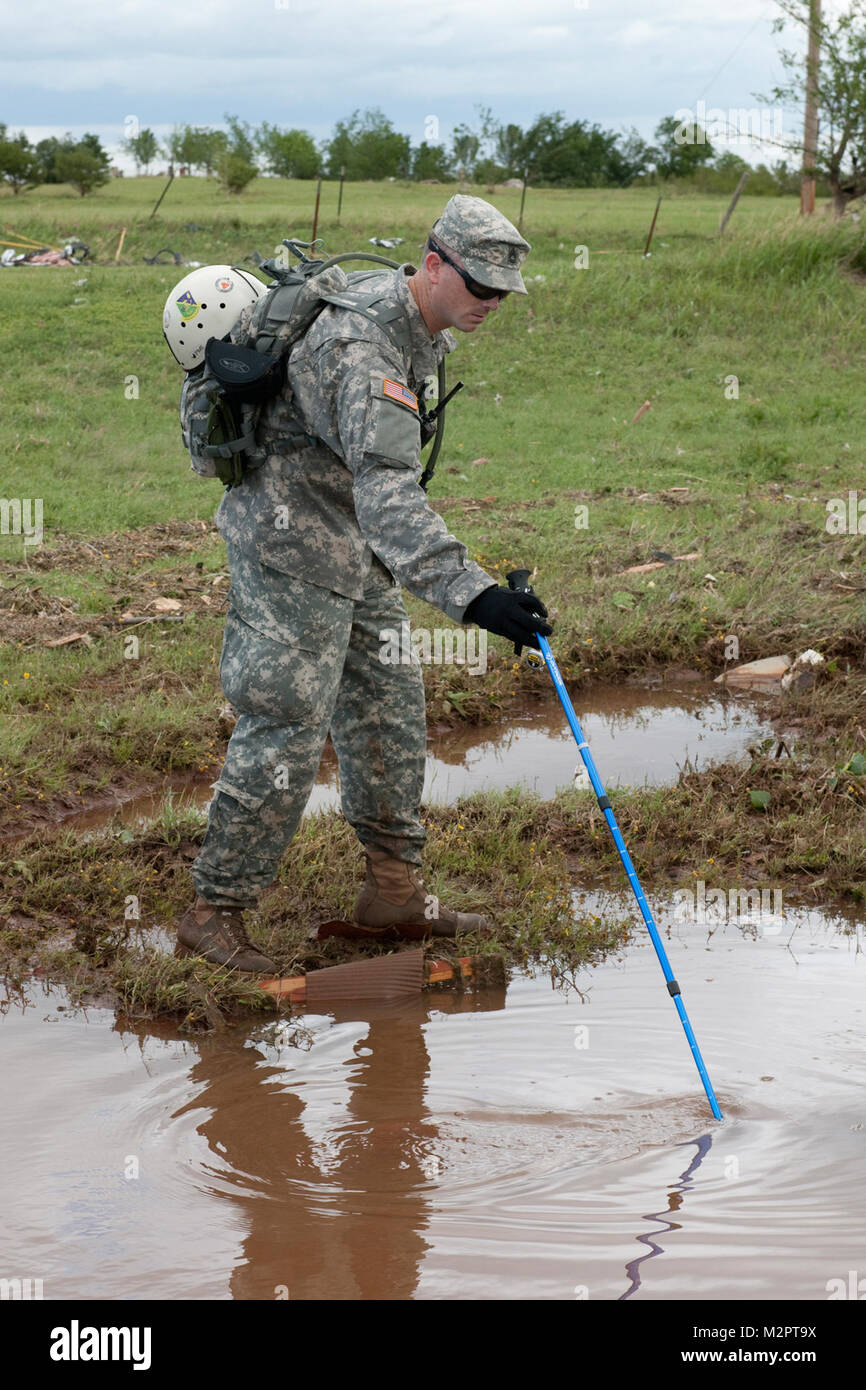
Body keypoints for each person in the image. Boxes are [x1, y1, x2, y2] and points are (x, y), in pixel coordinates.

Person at [176, 195, 552, 973]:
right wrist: (475, 595)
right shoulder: (362, 342)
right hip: (288, 544)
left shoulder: (423, 330)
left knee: (388, 709)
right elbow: (390, 489)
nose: (489, 305)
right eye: (478, 286)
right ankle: (213, 912)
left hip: (351, 542)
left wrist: (463, 585)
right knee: (285, 725)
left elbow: (378, 489)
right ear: (435, 263)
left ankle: (393, 896)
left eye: (500, 294)